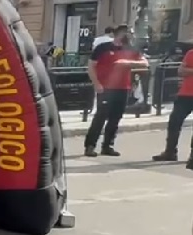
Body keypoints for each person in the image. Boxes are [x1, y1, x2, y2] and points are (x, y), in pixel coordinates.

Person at [83, 24, 149, 158]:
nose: (130, 35)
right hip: (105, 87)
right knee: (100, 117)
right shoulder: (103, 48)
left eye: (131, 33)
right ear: (119, 34)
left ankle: (108, 146)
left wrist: (126, 63)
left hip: (123, 88)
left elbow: (145, 63)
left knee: (115, 118)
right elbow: (91, 66)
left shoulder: (132, 49)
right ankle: (90, 146)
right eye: (127, 33)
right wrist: (96, 84)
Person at [152, 47, 193, 169]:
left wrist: (189, 70)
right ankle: (170, 151)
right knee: (174, 122)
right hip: (185, 94)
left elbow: (186, 71)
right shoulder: (191, 53)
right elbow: (181, 71)